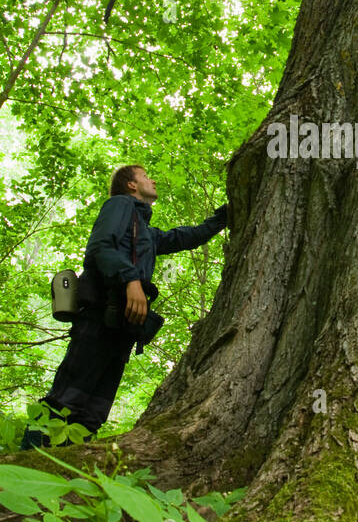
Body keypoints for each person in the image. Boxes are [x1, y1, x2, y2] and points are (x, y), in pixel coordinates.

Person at [20, 164, 227, 449]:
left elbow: (184, 237)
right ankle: (25, 462)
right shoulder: (119, 205)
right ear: (131, 185)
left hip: (122, 327)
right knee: (67, 397)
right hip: (97, 319)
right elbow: (100, 247)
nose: (151, 179)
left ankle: (65, 471)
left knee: (94, 410)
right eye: (145, 176)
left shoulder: (147, 232)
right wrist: (131, 281)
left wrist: (222, 218)